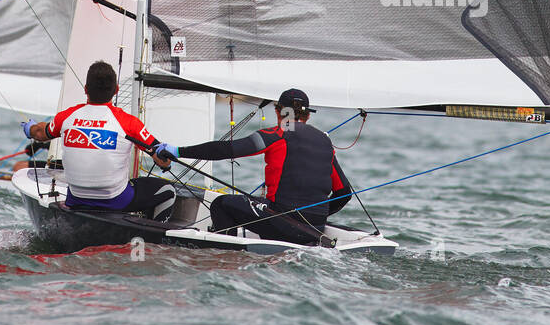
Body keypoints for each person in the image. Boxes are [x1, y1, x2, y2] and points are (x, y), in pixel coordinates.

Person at [165, 88, 352, 246]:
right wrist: (317, 215)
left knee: (221, 204)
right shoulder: (325, 142)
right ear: (308, 115)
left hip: (283, 224)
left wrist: (178, 151)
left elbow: (228, 149)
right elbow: (344, 192)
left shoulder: (278, 134)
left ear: (279, 111)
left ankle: (226, 256)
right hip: (315, 229)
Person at [24, 60, 178, 221]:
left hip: (75, 200)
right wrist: (166, 161)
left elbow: (40, 133)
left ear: (85, 89)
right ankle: (150, 239)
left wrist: (30, 128)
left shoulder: (67, 117)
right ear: (116, 90)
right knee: (168, 190)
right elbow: (163, 161)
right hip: (116, 201)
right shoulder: (129, 123)